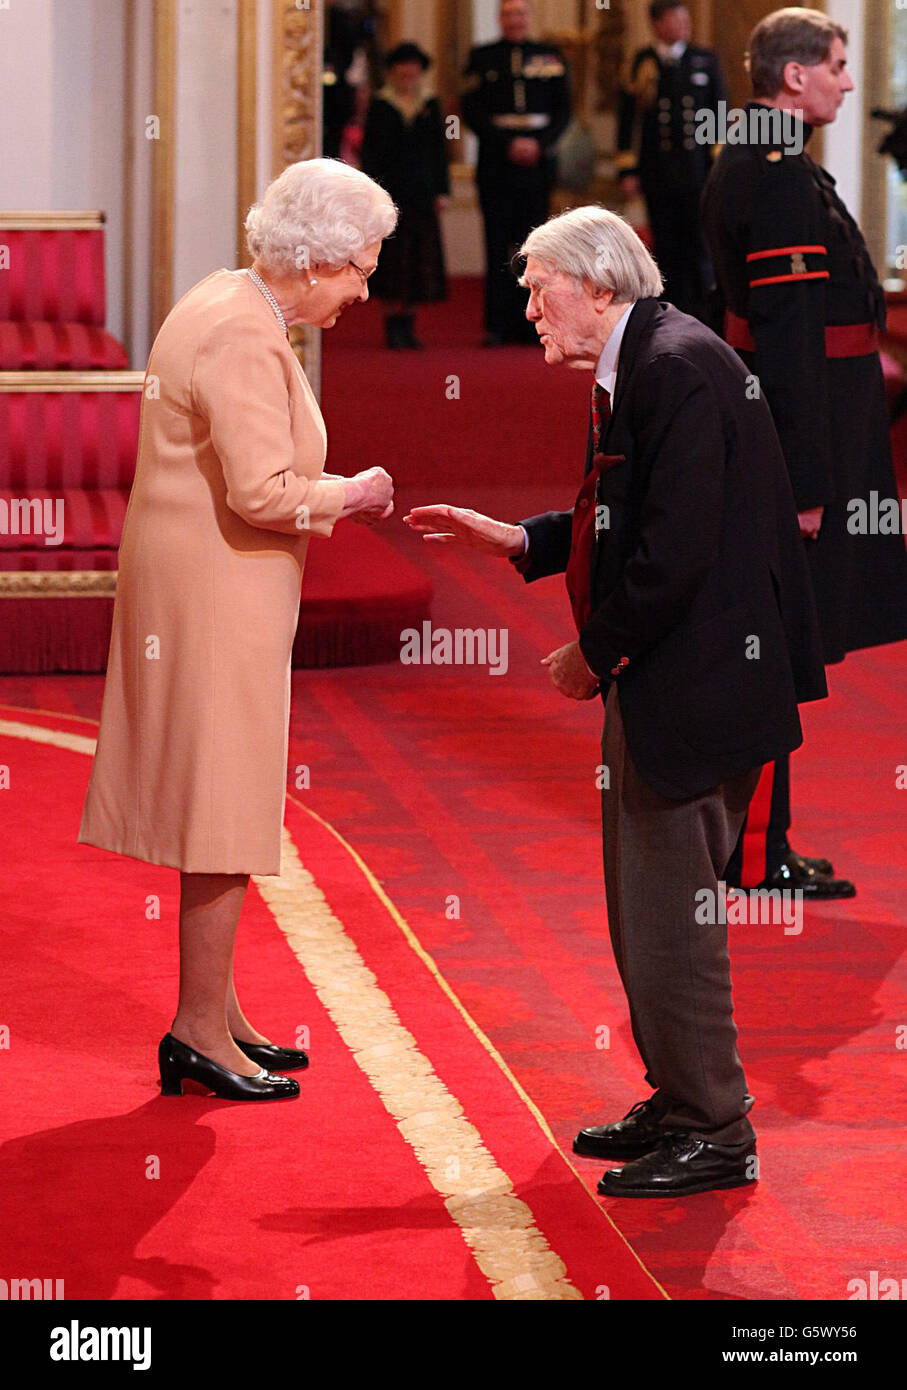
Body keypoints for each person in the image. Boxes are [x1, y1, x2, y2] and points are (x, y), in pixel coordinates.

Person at [405, 205, 827, 1198]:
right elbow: (625, 513)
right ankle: (679, 1098)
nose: (523, 305)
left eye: (535, 286)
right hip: (691, 671)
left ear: (596, 286)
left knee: (670, 918)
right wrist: (520, 541)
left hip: (696, 681)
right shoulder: (650, 356)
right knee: (646, 912)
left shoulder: (671, 365)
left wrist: (589, 656)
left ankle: (714, 1126)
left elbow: (672, 553)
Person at [79, 159, 397, 1102]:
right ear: (314, 258)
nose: (365, 289)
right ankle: (196, 1029)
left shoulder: (229, 299)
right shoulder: (243, 333)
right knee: (221, 807)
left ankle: (217, 1011)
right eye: (360, 268)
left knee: (231, 796)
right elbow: (263, 493)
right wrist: (357, 493)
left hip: (213, 583)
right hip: (216, 592)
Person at [702, 7, 907, 897]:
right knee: (773, 648)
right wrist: (808, 483)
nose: (847, 81)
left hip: (809, 428)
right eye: (835, 64)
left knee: (778, 644)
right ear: (793, 77)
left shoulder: (761, 159)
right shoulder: (777, 175)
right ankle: (753, 851)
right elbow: (786, 340)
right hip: (800, 447)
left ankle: (763, 839)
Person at [460, 0, 571, 345]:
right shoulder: (482, 57)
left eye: (521, 14)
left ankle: (531, 322)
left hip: (537, 165)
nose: (515, 20)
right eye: (509, 14)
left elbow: (564, 108)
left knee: (535, 247)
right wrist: (507, 143)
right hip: (497, 163)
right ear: (500, 19)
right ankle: (497, 324)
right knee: (497, 244)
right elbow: (471, 109)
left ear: (529, 18)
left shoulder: (549, 56)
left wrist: (539, 143)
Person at [616, 0, 725, 319]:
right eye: (676, 19)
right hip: (657, 171)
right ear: (657, 24)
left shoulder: (704, 60)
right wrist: (627, 167)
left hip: (697, 171)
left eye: (686, 19)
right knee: (665, 245)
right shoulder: (641, 62)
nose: (684, 25)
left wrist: (716, 166)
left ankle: (703, 315)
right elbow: (627, 120)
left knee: (700, 245)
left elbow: (718, 116)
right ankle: (668, 313)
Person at [361, 41, 450, 349]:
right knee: (391, 257)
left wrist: (442, 189)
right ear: (393, 69)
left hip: (422, 192)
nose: (408, 71)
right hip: (389, 191)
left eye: (413, 65)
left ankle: (409, 324)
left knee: (418, 257)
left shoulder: (431, 104)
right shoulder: (380, 105)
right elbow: (369, 151)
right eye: (402, 65)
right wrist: (370, 191)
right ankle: (391, 324)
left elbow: (440, 150)